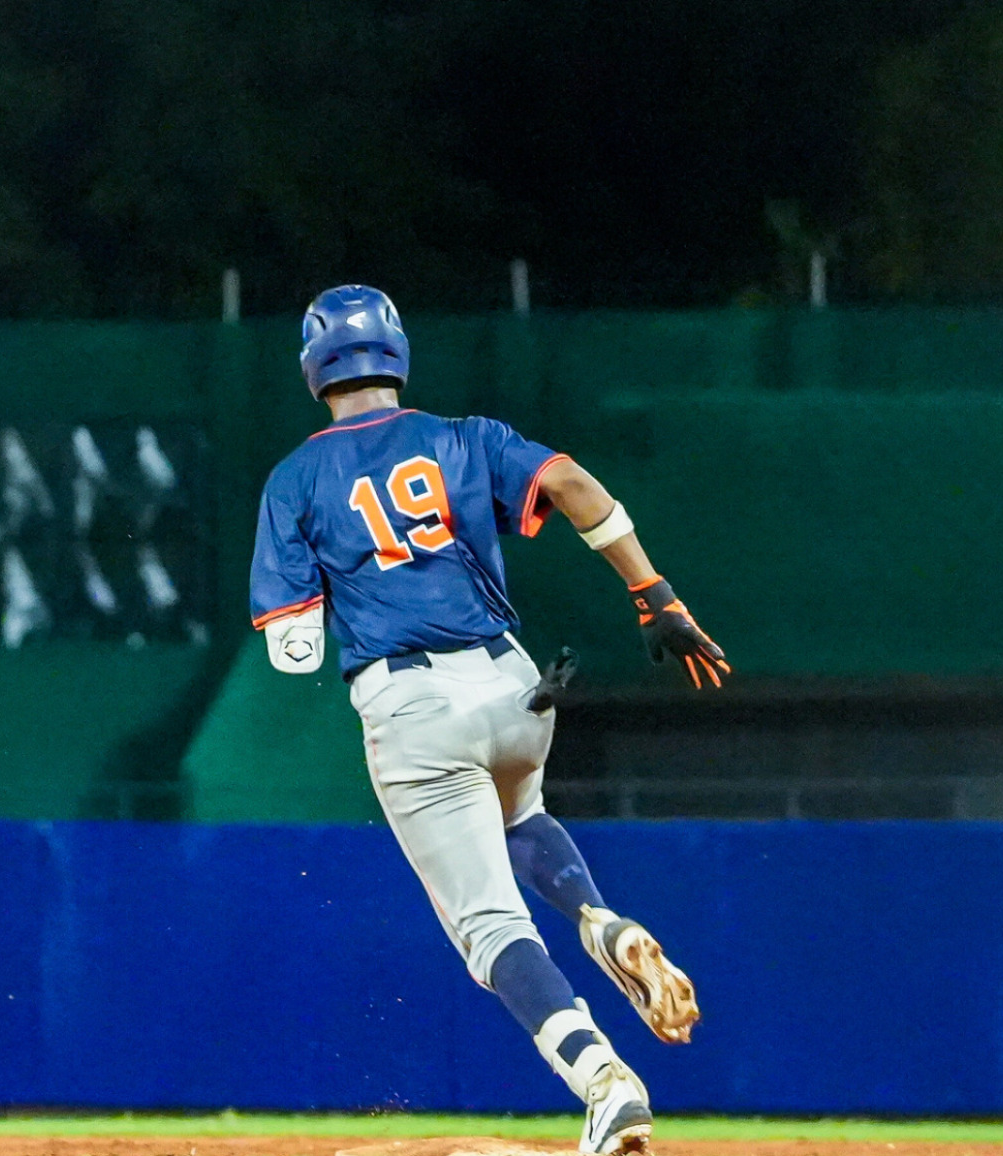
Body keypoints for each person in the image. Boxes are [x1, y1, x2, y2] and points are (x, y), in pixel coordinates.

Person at [249, 285, 729, 1155]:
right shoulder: (466, 437)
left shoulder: (297, 477)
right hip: (515, 686)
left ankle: (604, 1081)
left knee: (491, 929)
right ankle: (600, 921)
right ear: (396, 352)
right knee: (522, 816)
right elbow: (575, 484)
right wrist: (655, 597)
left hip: (414, 703)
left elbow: (293, 651)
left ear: (315, 364)